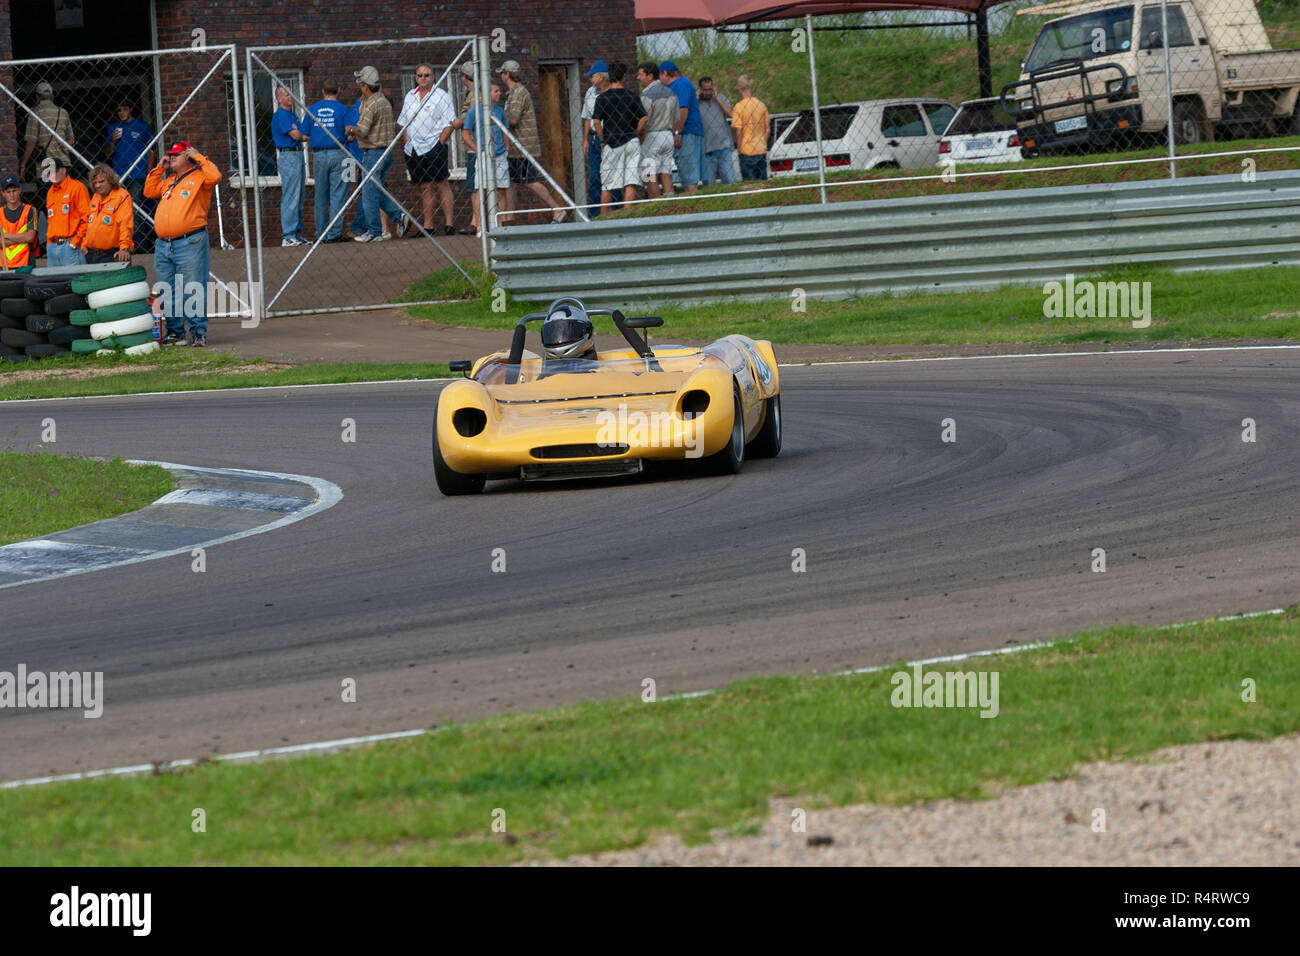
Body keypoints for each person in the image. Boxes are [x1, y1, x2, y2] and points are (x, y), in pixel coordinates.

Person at [144, 141, 221, 347]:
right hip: (164, 244)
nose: (171, 157)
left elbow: (216, 176)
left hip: (190, 241)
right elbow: (149, 191)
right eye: (170, 154)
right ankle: (176, 332)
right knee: (167, 290)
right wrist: (160, 167)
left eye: (176, 154)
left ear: (188, 157)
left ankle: (198, 332)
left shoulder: (200, 176)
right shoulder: (169, 180)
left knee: (193, 288)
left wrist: (199, 157)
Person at [500, 60, 566, 224]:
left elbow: (513, 119)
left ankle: (557, 209)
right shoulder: (512, 93)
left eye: (502, 72)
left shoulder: (517, 92)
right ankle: (509, 217)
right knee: (511, 183)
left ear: (507, 74)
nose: (501, 75)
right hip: (515, 148)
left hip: (523, 147)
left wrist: (493, 120)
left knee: (530, 181)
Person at [345, 65, 404, 242]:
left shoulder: (370, 104)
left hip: (373, 153)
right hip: (386, 152)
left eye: (361, 83)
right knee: (376, 190)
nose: (360, 87)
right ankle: (399, 216)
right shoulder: (384, 101)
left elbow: (362, 130)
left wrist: (351, 129)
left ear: (365, 85)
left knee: (369, 193)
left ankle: (374, 232)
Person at [398, 62, 457, 236]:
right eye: (419, 75)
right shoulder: (410, 96)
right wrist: (406, 140)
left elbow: (450, 122)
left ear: (433, 77)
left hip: (433, 146)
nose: (423, 78)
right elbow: (403, 122)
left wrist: (440, 143)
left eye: (427, 75)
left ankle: (449, 225)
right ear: (415, 78)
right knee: (424, 186)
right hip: (413, 149)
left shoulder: (441, 96)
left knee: (441, 183)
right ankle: (428, 226)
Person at [300, 80, 350, 243]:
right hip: (339, 152)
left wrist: (317, 135)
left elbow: (304, 135)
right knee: (338, 194)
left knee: (320, 196)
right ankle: (334, 233)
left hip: (319, 155)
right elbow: (349, 133)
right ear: (339, 90)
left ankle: (321, 233)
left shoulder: (313, 109)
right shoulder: (343, 109)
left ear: (323, 91)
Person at [592, 62, 645, 215]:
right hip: (631, 141)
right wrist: (635, 132)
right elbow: (644, 118)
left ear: (609, 77)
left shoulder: (602, 98)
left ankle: (603, 217)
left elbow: (596, 121)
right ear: (623, 76)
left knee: (607, 184)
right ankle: (627, 214)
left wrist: (602, 140)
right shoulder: (631, 95)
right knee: (630, 182)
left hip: (611, 142)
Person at [462, 79, 510, 237]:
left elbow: (504, 131)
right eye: (496, 91)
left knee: (501, 189)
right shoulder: (473, 112)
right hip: (483, 155)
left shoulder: (499, 111)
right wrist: (477, 149)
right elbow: (466, 133)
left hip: (499, 154)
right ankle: (480, 227)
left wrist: (506, 148)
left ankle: (500, 225)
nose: (499, 94)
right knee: (480, 190)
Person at [21, 81, 74, 192]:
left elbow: (31, 142)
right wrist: (61, 149)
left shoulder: (35, 113)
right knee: (65, 197)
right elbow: (71, 140)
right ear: (52, 96)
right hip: (64, 163)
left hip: (46, 165)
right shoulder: (63, 112)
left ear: (37, 97)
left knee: (48, 198)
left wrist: (23, 164)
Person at [271, 86, 307, 246]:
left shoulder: (293, 115)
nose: (290, 97)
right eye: (287, 95)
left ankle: (296, 234)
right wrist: (300, 134)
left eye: (291, 94)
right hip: (288, 155)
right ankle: (288, 235)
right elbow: (296, 135)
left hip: (298, 153)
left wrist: (301, 134)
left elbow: (302, 133)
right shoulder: (281, 115)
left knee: (299, 195)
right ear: (279, 99)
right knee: (291, 195)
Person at [660, 62, 703, 193]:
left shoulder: (680, 84)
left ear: (665, 73)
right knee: (686, 175)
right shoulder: (679, 84)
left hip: (686, 132)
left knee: (689, 177)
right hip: (687, 131)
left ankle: (693, 205)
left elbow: (682, 110)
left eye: (659, 75)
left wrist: (677, 132)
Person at [637, 62, 676, 199]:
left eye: (640, 74)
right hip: (668, 134)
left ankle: (654, 203)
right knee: (666, 172)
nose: (638, 77)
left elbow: (645, 119)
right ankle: (669, 201)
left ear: (650, 76)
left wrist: (639, 137)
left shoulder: (647, 94)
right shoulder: (671, 92)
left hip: (652, 136)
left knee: (649, 173)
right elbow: (675, 117)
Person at [82, 163, 133, 264]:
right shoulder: (95, 197)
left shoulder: (122, 196)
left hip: (112, 254)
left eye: (101, 181)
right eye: (95, 182)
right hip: (90, 254)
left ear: (110, 180)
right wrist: (83, 244)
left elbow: (125, 224)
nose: (98, 185)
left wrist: (124, 248)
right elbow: (86, 221)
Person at [43, 158, 89, 267]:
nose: (52, 175)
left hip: (70, 244)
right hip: (53, 246)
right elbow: (51, 221)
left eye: (55, 171)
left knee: (73, 282)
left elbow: (87, 218)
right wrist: (49, 244)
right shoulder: (50, 192)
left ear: (64, 170)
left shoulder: (77, 187)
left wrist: (76, 242)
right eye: (49, 172)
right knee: (54, 282)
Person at [697, 77, 736, 187]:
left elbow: (732, 114)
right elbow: (689, 113)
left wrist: (717, 98)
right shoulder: (696, 102)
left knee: (730, 181)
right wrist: (696, 97)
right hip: (706, 149)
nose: (708, 92)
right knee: (708, 184)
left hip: (723, 146)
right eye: (705, 90)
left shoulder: (721, 98)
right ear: (700, 89)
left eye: (710, 89)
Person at [732, 75, 770, 181]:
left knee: (749, 184)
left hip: (746, 149)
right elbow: (767, 129)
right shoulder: (761, 105)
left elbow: (739, 131)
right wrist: (762, 141)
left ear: (739, 88)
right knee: (762, 182)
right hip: (761, 148)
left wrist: (739, 149)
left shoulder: (739, 107)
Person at [581, 61, 607, 216]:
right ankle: (595, 214)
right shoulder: (590, 92)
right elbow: (587, 117)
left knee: (611, 176)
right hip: (594, 139)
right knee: (594, 177)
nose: (590, 79)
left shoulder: (611, 91)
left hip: (608, 137)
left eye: (593, 76)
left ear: (601, 77)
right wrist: (585, 139)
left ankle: (614, 210)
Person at [0, 176, 40, 272]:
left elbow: (30, 237)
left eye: (14, 191)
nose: (12, 195)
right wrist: (22, 237)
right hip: (4, 265)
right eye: (8, 192)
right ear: (3, 194)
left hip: (25, 264)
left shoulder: (30, 210)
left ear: (19, 191)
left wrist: (5, 236)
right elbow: (26, 237)